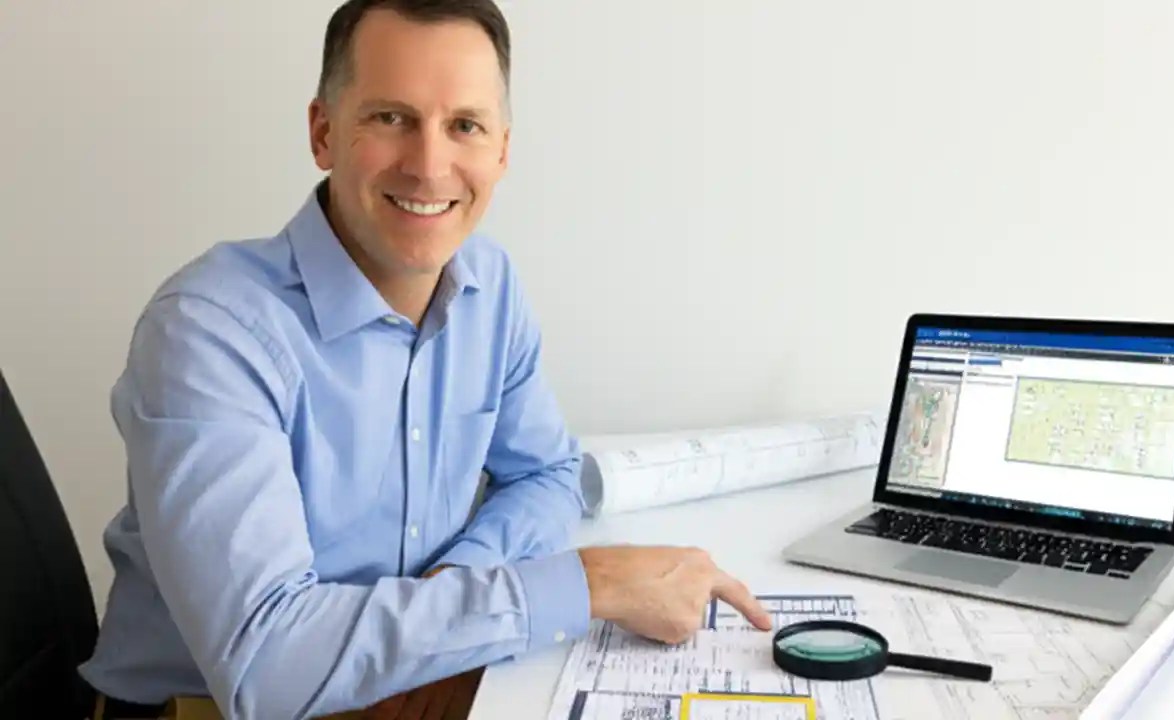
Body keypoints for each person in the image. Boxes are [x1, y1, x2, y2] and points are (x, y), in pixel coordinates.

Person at [78, 1, 772, 719]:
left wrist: (451, 608)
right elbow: (265, 666)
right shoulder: (209, 332)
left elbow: (547, 473)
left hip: (415, 677)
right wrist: (586, 584)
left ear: (502, 150)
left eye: (464, 126)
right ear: (323, 132)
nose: (429, 165)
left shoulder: (489, 284)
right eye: (390, 118)